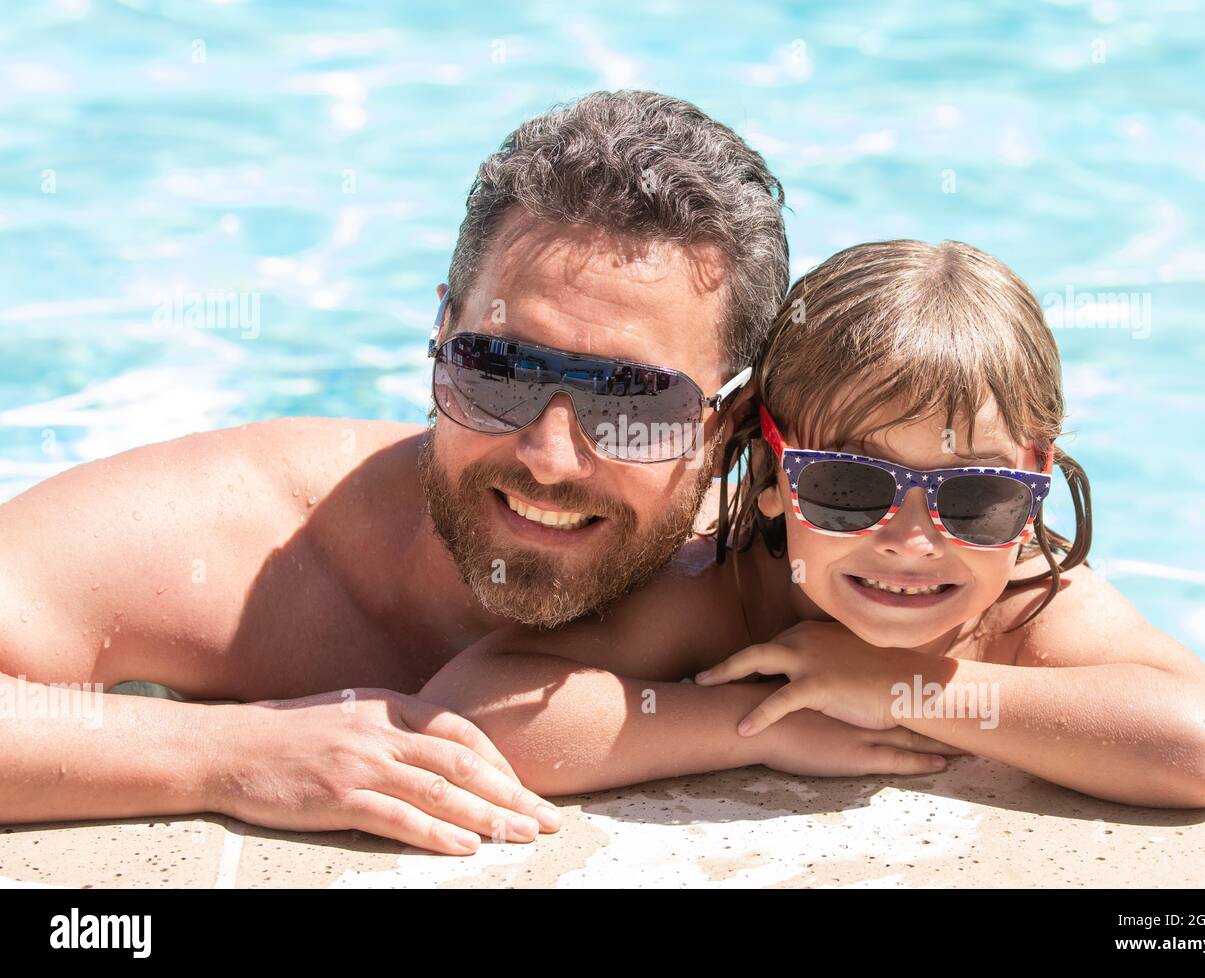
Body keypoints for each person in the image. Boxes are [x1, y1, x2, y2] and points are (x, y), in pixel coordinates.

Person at [1, 90, 890, 854]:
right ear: (440, 337)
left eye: (632, 405)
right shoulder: (236, 537)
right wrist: (230, 754)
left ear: (728, 425)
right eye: (497, 370)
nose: (549, 458)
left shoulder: (797, 552)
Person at [426, 240, 1205, 809]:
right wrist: (758, 731)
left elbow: (1197, 747)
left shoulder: (1024, 596)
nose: (914, 539)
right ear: (771, 474)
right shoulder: (727, 590)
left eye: (975, 498)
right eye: (849, 487)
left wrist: (902, 692)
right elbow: (473, 712)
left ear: (1033, 481)